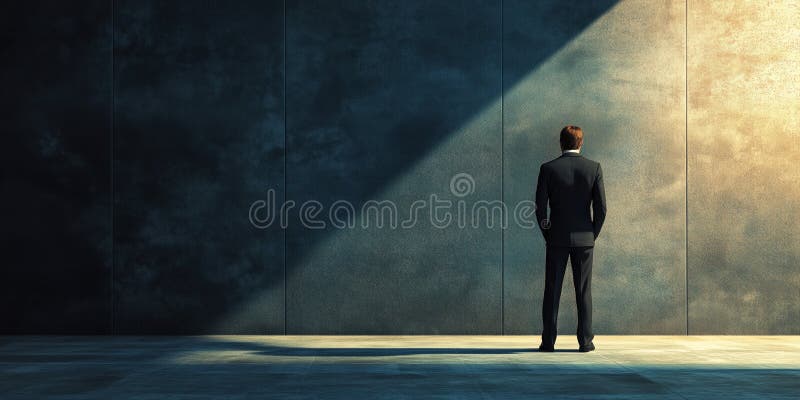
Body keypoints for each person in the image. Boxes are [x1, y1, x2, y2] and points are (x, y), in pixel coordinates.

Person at [535, 125, 606, 352]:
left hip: (556, 237)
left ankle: (548, 342)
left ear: (561, 142)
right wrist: (591, 234)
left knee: (552, 290)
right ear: (581, 143)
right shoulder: (593, 168)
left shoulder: (548, 168)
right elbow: (602, 208)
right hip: (585, 239)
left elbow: (539, 208)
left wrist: (548, 232)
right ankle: (585, 342)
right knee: (583, 291)